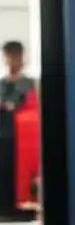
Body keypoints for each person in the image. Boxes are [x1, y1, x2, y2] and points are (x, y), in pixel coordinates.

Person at [0, 41, 35, 212]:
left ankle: (15, 203)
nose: (12, 60)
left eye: (16, 56)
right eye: (9, 56)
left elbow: (21, 104)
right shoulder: (2, 83)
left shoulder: (28, 83)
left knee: (17, 172)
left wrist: (9, 106)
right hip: (4, 133)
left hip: (22, 136)